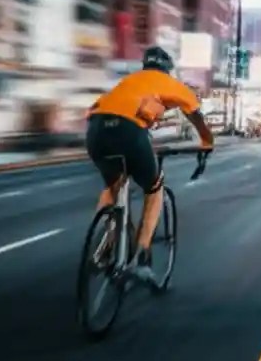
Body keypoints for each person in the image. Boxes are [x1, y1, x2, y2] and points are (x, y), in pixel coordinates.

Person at [85, 46, 214, 282]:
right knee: (154, 187)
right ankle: (142, 257)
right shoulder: (170, 84)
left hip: (95, 130)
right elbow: (196, 114)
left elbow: (99, 107)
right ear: (167, 69)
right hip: (129, 131)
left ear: (145, 65)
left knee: (113, 186)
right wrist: (207, 142)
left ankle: (103, 247)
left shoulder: (129, 81)